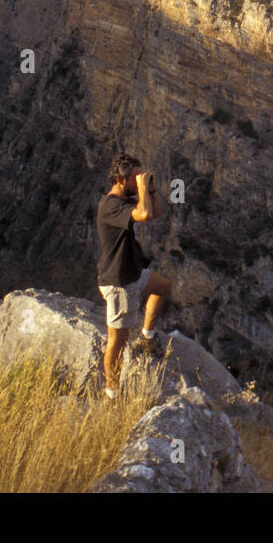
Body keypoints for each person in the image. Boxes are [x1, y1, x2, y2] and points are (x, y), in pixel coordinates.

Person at [96, 152, 171, 399]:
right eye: (136, 177)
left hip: (133, 271)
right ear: (121, 180)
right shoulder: (111, 205)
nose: (140, 179)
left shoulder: (124, 200)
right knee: (117, 341)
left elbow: (156, 212)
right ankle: (112, 393)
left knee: (162, 287)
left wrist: (150, 189)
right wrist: (141, 190)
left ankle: (147, 339)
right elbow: (145, 215)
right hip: (118, 281)